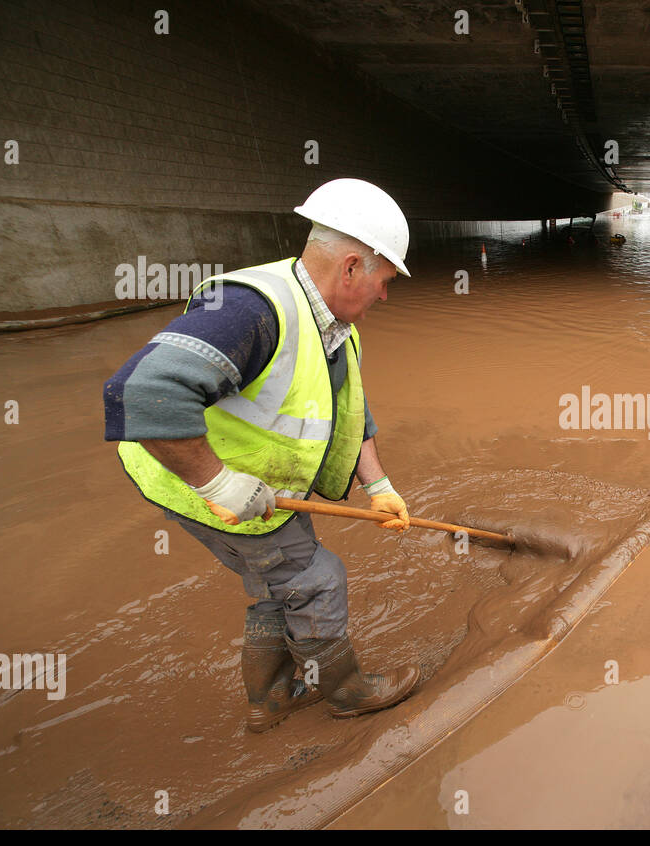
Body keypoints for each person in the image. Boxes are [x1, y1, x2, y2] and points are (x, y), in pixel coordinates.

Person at [103, 178, 421, 733]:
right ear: (350, 268)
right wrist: (220, 485)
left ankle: (271, 698)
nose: (385, 296)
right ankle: (343, 690)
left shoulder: (336, 328)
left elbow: (351, 411)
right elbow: (142, 392)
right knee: (317, 578)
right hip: (198, 483)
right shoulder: (253, 310)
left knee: (278, 583)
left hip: (242, 487)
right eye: (384, 281)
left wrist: (379, 486)